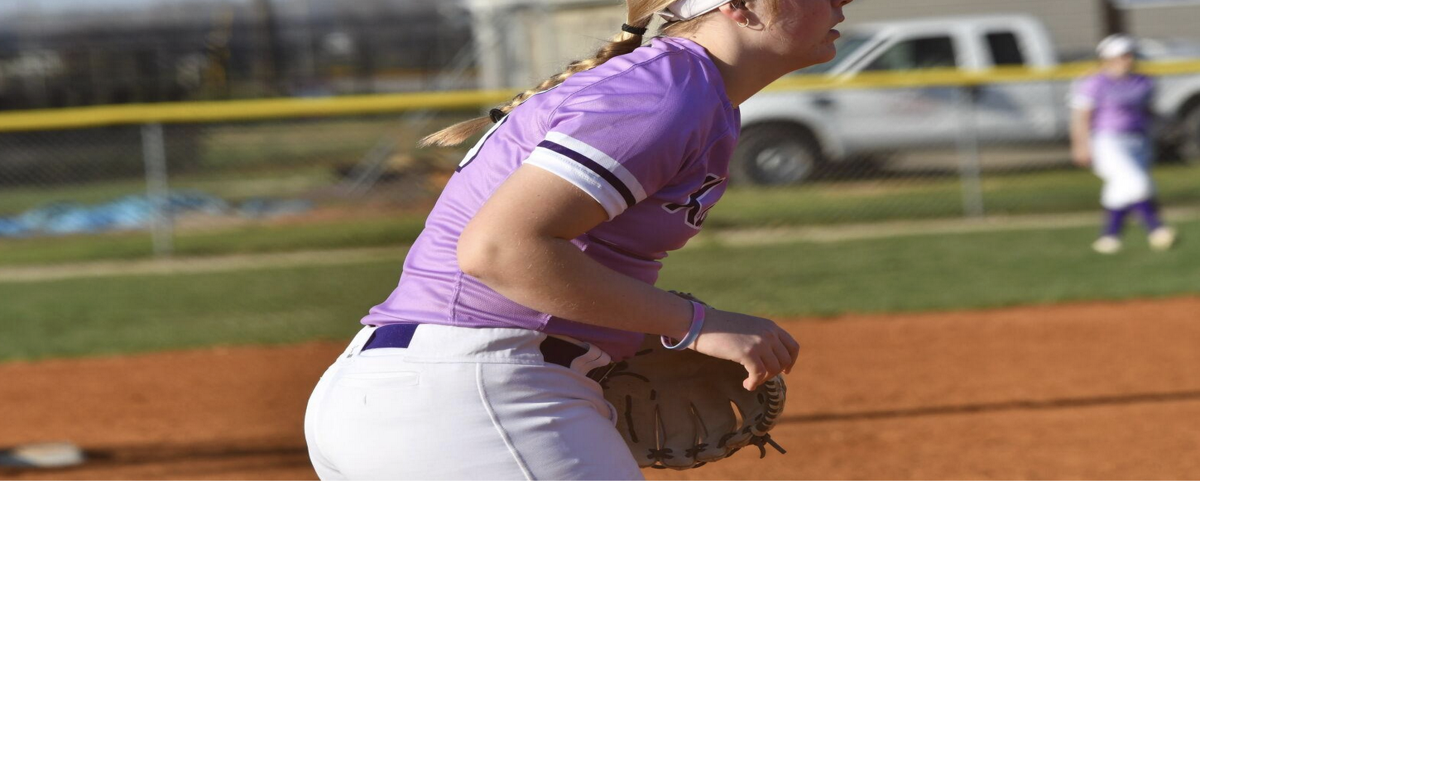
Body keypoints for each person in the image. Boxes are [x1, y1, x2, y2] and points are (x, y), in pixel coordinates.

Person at [304, 0, 851, 481]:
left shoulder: (682, 90)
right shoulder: (665, 93)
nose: (845, 0)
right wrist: (696, 325)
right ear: (740, 4)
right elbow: (498, 250)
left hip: (417, 396)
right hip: (476, 398)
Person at [1070, 34, 1177, 255]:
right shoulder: (1095, 82)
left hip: (1138, 138)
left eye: (1130, 55)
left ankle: (1109, 238)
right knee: (1137, 183)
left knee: (1119, 190)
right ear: (1107, 58)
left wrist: (1164, 127)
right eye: (1122, 56)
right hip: (1107, 139)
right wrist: (1080, 145)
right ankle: (1156, 230)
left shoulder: (1143, 81)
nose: (1127, 60)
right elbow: (1081, 116)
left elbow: (1148, 111)